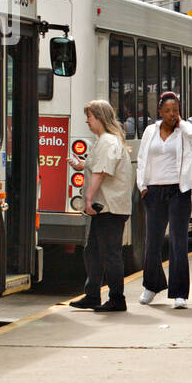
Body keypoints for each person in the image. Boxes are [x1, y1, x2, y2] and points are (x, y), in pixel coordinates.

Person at [136, 91, 192, 308]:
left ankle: (179, 293)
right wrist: (143, 187)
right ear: (159, 112)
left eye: (175, 110)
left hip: (179, 191)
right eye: (167, 111)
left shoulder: (184, 132)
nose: (171, 114)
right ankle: (151, 286)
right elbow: (141, 159)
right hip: (154, 191)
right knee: (153, 242)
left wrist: (181, 123)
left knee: (178, 242)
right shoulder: (150, 131)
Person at [67, 100, 136, 312]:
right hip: (105, 207)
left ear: (99, 118)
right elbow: (95, 166)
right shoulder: (105, 140)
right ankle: (93, 294)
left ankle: (117, 298)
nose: (87, 121)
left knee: (110, 253)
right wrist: (82, 164)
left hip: (109, 207)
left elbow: (102, 171)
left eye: (90, 117)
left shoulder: (107, 141)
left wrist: (87, 199)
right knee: (93, 251)